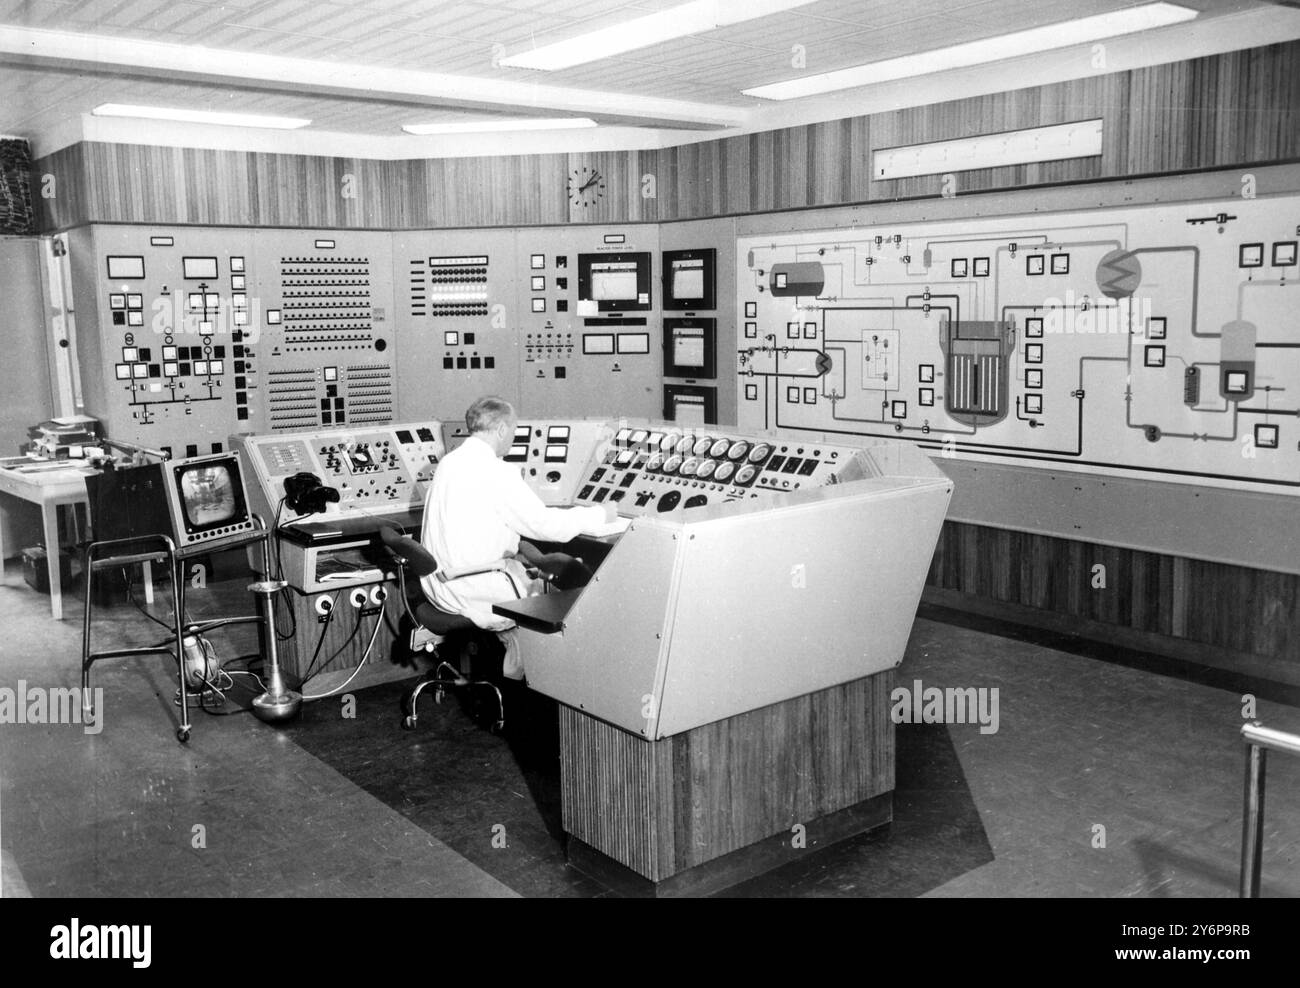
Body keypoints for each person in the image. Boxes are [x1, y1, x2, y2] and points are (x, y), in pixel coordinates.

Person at [420, 396, 616, 680]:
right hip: (472, 589)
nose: (513, 436)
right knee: (574, 586)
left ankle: (520, 665)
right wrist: (601, 514)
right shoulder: (496, 471)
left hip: (440, 586)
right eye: (513, 430)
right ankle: (561, 681)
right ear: (501, 430)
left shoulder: (449, 462)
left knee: (538, 565)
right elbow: (549, 527)